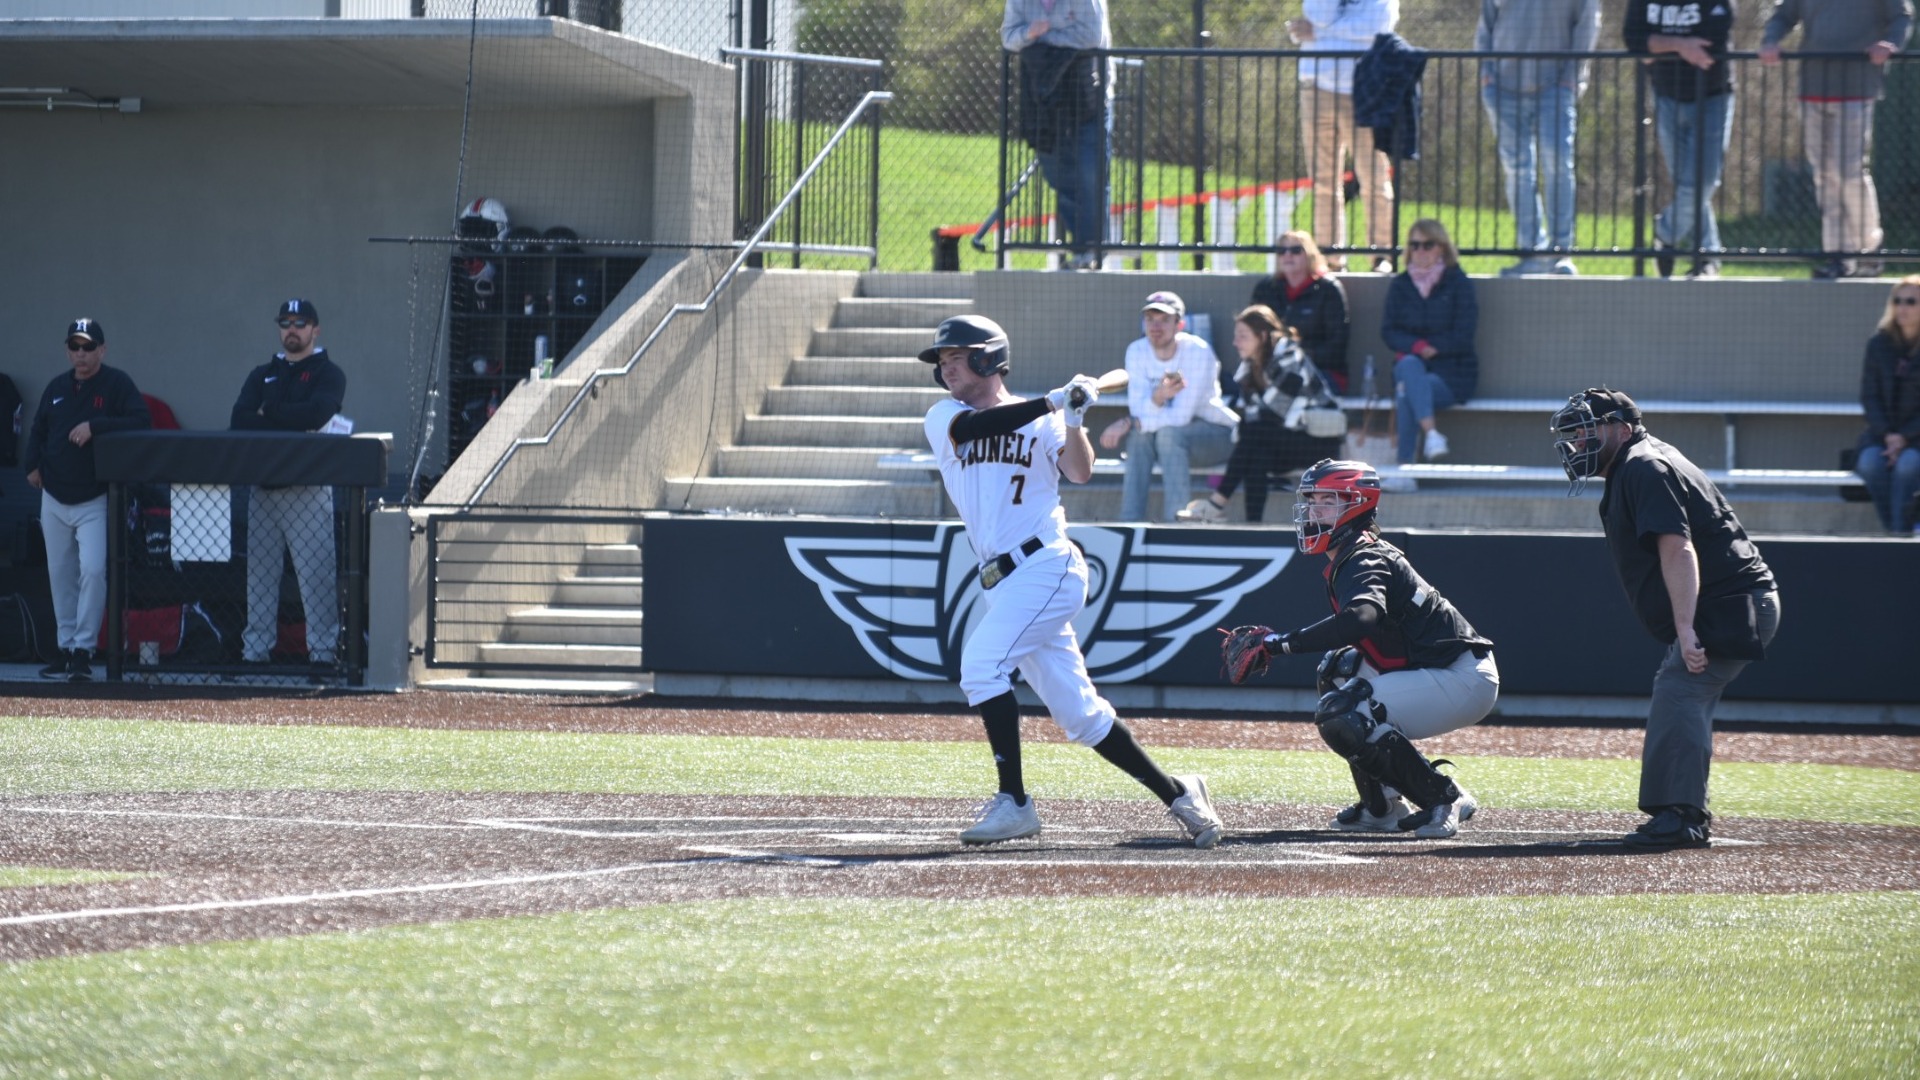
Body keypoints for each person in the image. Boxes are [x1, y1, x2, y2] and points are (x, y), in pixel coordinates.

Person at [917, 314, 1227, 848]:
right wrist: (1054, 400)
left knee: (982, 665)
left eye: (956, 358)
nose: (946, 369)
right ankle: (1180, 793)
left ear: (989, 358)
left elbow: (1079, 472)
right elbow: (980, 429)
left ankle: (1014, 801)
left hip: (1047, 565)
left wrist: (1076, 418)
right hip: (1003, 582)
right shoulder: (946, 416)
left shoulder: (1045, 419)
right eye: (942, 361)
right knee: (1081, 715)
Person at [1550, 388, 1781, 847]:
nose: (1579, 443)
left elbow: (1678, 548)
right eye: (1574, 434)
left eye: (1587, 431)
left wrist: (1685, 627)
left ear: (1622, 427)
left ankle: (1681, 816)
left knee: (1681, 687)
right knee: (1680, 688)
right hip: (1731, 599)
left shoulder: (1644, 465)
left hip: (1731, 602)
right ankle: (1682, 810)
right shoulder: (1637, 462)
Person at [1220, 459, 1497, 838]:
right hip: (1435, 668)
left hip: (1461, 676)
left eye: (1327, 501)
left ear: (1358, 504)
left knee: (1346, 711)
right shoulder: (1353, 554)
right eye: (1312, 500)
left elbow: (1360, 619)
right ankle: (1381, 808)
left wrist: (1279, 643)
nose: (1313, 510)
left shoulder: (1364, 556)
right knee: (1337, 671)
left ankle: (1443, 796)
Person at [22, 318, 153, 682]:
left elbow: (141, 420)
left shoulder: (116, 383)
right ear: (68, 350)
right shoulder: (56, 387)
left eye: (88, 347)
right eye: (75, 347)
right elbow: (39, 429)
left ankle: (84, 648)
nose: (81, 354)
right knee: (60, 574)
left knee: (94, 570)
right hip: (54, 495)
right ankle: (66, 649)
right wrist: (31, 466)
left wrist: (96, 426)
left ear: (102, 350)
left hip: (94, 496)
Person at [1759, 0, 1914, 280]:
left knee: (1849, 172)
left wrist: (1890, 44)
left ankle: (1869, 249)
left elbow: (1901, 18)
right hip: (1813, 86)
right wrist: (1771, 41)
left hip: (1856, 85)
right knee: (1824, 175)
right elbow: (1782, 16)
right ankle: (1838, 255)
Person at [230, 299, 347, 667]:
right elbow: (240, 420)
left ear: (316, 329)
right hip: (263, 490)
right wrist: (291, 421)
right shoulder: (262, 373)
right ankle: (255, 653)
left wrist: (271, 413)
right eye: (285, 322)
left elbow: (317, 413)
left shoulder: (329, 373)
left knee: (316, 576)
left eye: (300, 322)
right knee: (260, 577)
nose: (291, 329)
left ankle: (324, 654)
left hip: (308, 489)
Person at [1177, 306, 1345, 523]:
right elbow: (1254, 417)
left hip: (1318, 442)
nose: (1235, 342)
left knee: (1254, 432)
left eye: (1243, 336)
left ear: (1262, 336)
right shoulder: (1250, 366)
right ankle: (1253, 526)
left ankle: (1216, 503)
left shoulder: (1289, 358)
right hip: (1280, 439)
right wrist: (1250, 421)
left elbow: (1273, 414)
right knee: (1256, 455)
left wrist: (1249, 421)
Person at [1477, 0, 1602, 277]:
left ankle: (1560, 253)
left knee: (1557, 161)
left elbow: (1588, 24)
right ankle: (1531, 251)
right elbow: (1485, 25)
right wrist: (1486, 74)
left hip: (1555, 87)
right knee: (1517, 169)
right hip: (1503, 88)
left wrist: (1572, 76)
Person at [1098, 290, 1238, 521]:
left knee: (1167, 435)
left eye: (1164, 320)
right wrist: (1157, 398)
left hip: (1216, 434)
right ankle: (1129, 524)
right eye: (1150, 319)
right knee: (1140, 437)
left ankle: (1177, 524)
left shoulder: (1198, 351)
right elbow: (1137, 407)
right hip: (1164, 440)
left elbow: (1181, 417)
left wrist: (1133, 420)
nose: (1156, 326)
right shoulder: (1136, 350)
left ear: (1179, 324)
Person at [1624, 0, 1739, 280]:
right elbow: (1633, 37)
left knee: (1703, 181)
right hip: (1666, 96)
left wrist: (1657, 45)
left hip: (1712, 97)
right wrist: (1680, 45)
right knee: (1689, 185)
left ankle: (1666, 232)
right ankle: (1707, 258)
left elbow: (1714, 39)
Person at [1289, 0, 1400, 273]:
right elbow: (1317, 13)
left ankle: (1381, 255)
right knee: (1324, 181)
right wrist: (1325, 27)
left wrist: (1319, 33)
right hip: (1316, 86)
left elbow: (1375, 27)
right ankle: (1330, 257)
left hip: (1363, 90)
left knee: (1373, 177)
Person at [1003, 0, 1112, 270]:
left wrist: (1040, 35)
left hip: (1089, 97)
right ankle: (1081, 250)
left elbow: (1090, 37)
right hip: (1044, 101)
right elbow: (1008, 37)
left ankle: (1095, 249)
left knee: (1089, 173)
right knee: (1058, 174)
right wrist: (1030, 34)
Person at [1380, 219, 1478, 474]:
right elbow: (1388, 331)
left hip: (1452, 372)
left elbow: (1464, 334)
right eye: (1415, 245)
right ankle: (1431, 434)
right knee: (1409, 369)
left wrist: (1435, 348)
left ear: (1441, 248)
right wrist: (1416, 345)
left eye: (1427, 244)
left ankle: (1404, 470)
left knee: (1406, 391)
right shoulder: (1401, 285)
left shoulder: (1458, 283)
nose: (1420, 251)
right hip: (1412, 364)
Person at [1854, 276, 1920, 534]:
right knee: (1870, 463)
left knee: (1908, 465)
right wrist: (1889, 436)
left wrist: (1905, 437)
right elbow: (1869, 396)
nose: (1902, 307)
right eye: (1898, 301)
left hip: (1916, 438)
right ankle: (1895, 533)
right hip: (1881, 436)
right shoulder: (1878, 344)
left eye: (1911, 301)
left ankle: (1898, 535)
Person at [1248, 230, 1352, 394]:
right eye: (1282, 251)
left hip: (1321, 372)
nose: (1288, 255)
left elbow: (1337, 346)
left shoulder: (1328, 290)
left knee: (1286, 392)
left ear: (1310, 255)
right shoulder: (1266, 289)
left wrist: (1297, 358)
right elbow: (1251, 333)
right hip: (1274, 370)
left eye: (1296, 250)